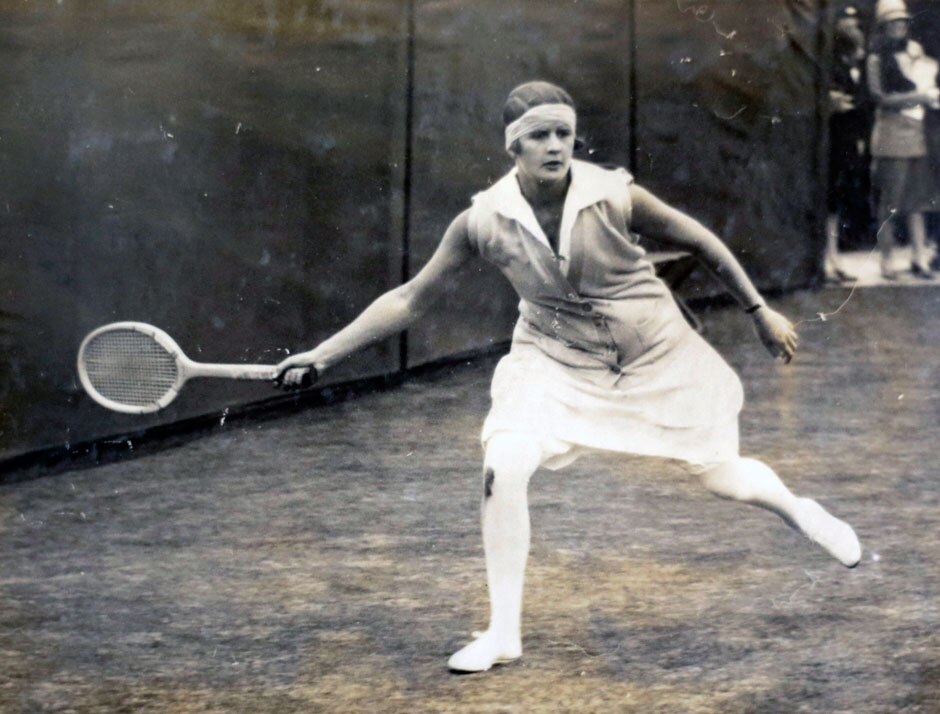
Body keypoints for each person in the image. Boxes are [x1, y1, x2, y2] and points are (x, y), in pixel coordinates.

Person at [275, 81, 862, 673]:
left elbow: (700, 240)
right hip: (552, 358)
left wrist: (759, 312)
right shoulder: (482, 220)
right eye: (539, 136)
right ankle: (504, 632)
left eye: (564, 133)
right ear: (514, 148)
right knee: (503, 464)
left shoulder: (613, 193)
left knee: (724, 479)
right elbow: (410, 298)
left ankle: (800, 510)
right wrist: (323, 354)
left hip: (655, 355)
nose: (556, 146)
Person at [866, 0, 940, 279]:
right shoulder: (875, 59)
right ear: (883, 27)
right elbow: (880, 98)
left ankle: (918, 258)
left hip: (917, 131)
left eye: (903, 22)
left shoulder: (915, 53)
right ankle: (887, 260)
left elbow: (926, 80)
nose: (900, 26)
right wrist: (918, 97)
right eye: (893, 22)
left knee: (918, 200)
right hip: (891, 134)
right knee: (891, 201)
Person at [825, 5, 870, 283]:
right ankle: (827, 261)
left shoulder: (853, 68)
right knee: (828, 202)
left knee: (836, 203)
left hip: (846, 141)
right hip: (832, 142)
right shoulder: (830, 66)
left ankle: (833, 259)